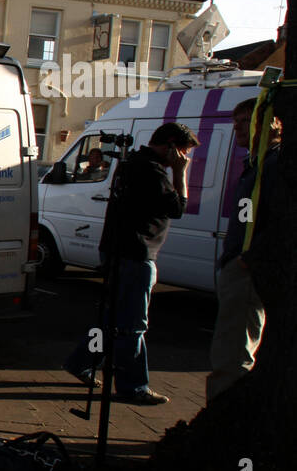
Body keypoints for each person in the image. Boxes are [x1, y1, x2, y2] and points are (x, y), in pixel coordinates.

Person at [65, 121, 200, 405]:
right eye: (184, 153)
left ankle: (81, 361)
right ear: (172, 146)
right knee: (133, 324)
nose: (186, 159)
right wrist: (180, 172)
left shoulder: (131, 164)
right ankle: (132, 385)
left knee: (112, 318)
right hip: (135, 254)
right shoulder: (152, 171)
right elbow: (178, 208)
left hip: (117, 249)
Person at [207, 98, 282, 400]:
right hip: (238, 265)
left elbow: (280, 221)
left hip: (247, 272)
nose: (237, 126)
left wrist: (248, 259)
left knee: (233, 355)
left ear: (273, 123)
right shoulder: (256, 164)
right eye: (235, 120)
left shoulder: (274, 166)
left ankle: (223, 426)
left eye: (245, 120)